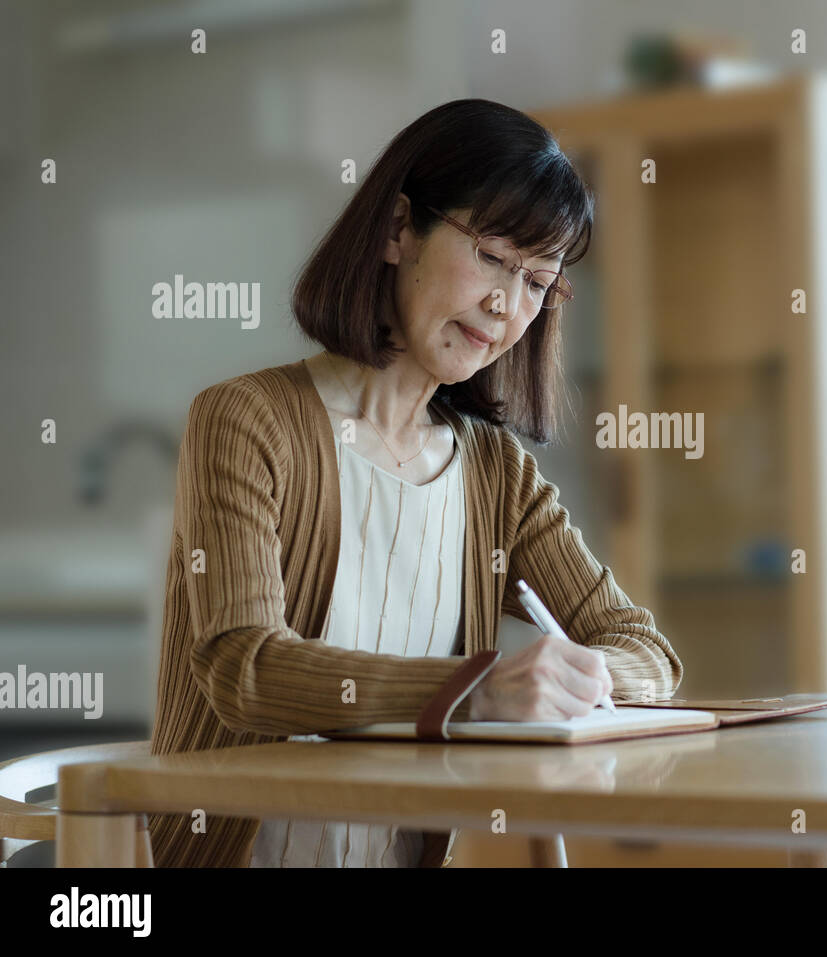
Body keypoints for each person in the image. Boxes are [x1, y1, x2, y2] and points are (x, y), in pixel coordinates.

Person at [148, 98, 683, 867]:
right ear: (400, 228)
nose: (506, 307)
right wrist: (480, 688)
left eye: (538, 281)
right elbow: (244, 668)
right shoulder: (246, 419)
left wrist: (582, 677)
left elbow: (650, 652)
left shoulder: (496, 473)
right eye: (494, 255)